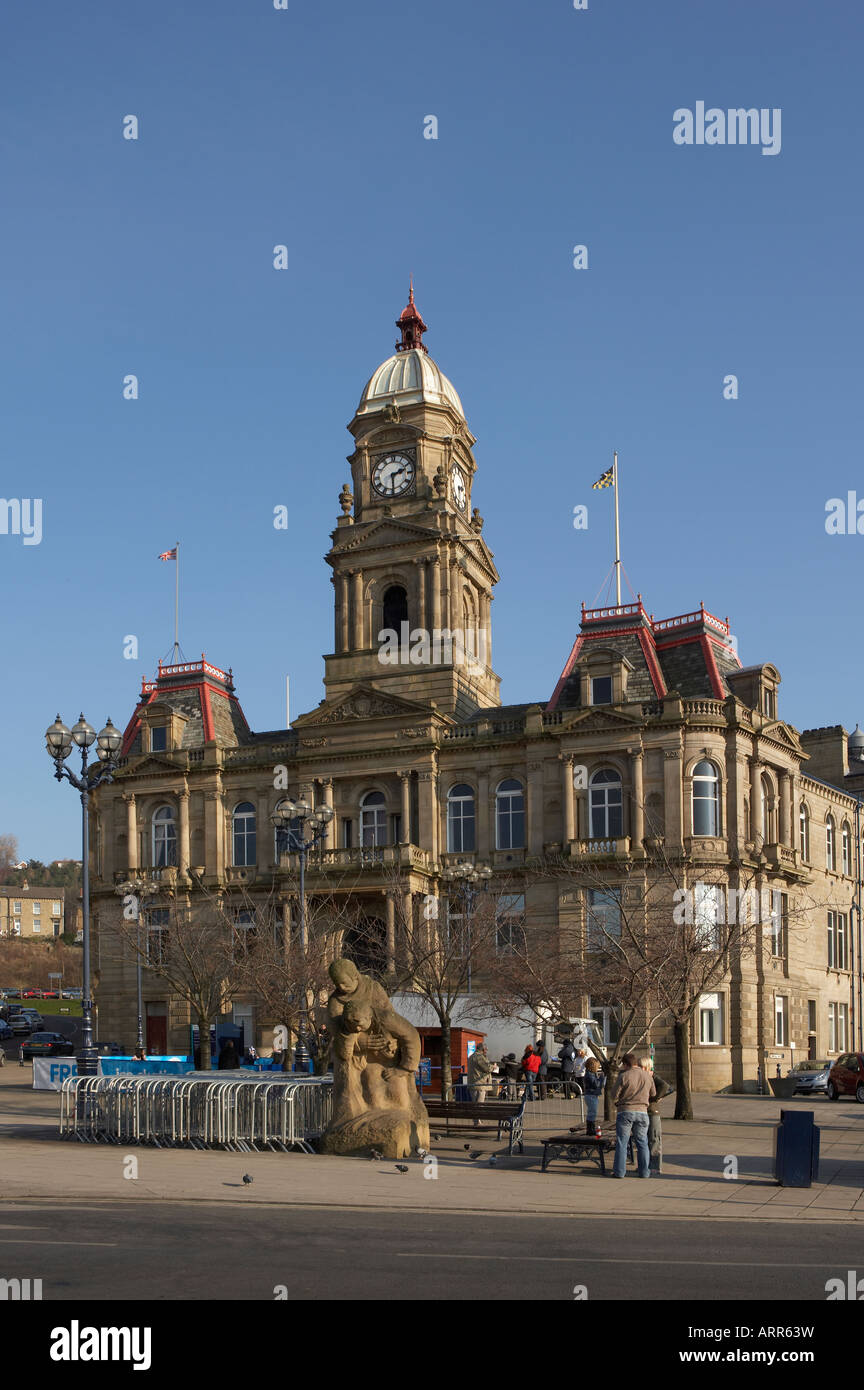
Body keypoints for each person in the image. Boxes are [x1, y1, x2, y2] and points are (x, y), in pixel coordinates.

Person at [611, 1052, 655, 1178]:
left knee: (622, 1142)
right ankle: (645, 1172)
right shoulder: (647, 1076)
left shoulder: (624, 1076)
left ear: (625, 1064)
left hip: (625, 1111)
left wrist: (619, 1101)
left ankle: (619, 1172)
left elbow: (613, 1095)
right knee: (642, 1142)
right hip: (642, 1111)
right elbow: (653, 1093)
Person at [640, 1056, 672, 1173]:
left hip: (653, 1111)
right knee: (644, 1139)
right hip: (643, 1111)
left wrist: (655, 1097)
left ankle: (654, 1166)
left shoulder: (653, 1076)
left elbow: (665, 1086)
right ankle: (645, 1165)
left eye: (641, 1066)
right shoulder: (643, 1077)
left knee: (654, 1138)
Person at [467, 1042, 495, 1124]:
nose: (486, 1051)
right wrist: (494, 1067)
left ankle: (477, 1120)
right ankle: (477, 1121)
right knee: (479, 1105)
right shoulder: (479, 1057)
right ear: (482, 1049)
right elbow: (487, 1068)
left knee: (476, 1104)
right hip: (479, 1084)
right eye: (486, 1049)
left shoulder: (472, 1056)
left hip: (474, 1083)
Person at [582, 1057, 605, 1130]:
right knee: (592, 1112)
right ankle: (590, 1129)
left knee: (592, 1112)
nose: (597, 1068)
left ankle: (591, 1128)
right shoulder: (590, 1074)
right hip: (591, 1095)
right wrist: (601, 1078)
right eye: (597, 1067)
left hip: (592, 1095)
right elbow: (596, 1084)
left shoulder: (591, 1074)